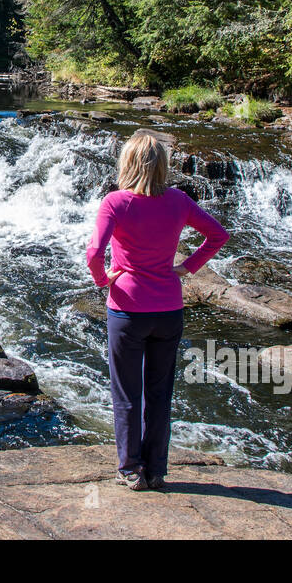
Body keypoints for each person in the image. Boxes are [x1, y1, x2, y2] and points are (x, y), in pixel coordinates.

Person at [86, 129, 229, 491]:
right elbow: (218, 235)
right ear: (163, 166)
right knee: (160, 395)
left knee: (127, 394)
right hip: (168, 310)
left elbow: (93, 253)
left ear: (127, 164)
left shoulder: (115, 203)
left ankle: (131, 469)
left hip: (127, 310)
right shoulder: (178, 200)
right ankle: (157, 470)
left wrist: (104, 279)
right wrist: (187, 267)